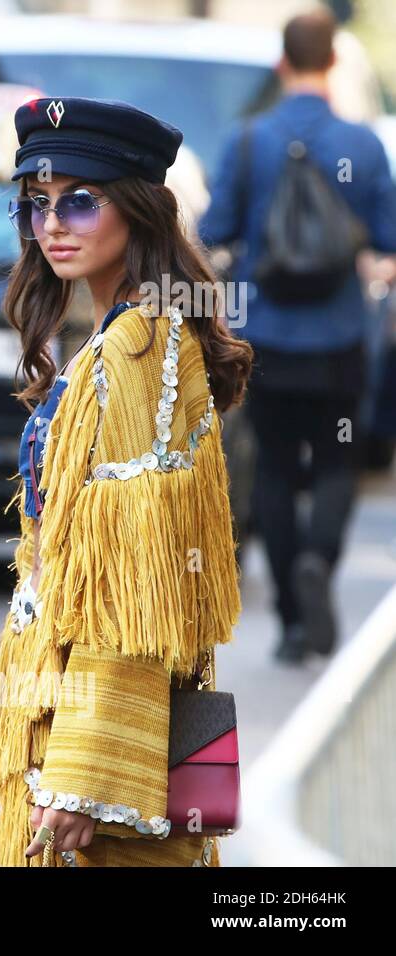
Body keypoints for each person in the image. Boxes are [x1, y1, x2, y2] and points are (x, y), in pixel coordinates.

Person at [0, 97, 252, 867]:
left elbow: (135, 584)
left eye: (81, 201)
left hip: (96, 769)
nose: (53, 223)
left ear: (136, 209)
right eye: (36, 204)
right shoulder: (123, 334)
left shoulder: (137, 346)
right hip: (59, 715)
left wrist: (82, 777)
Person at [199, 9, 396, 665]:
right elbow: (390, 238)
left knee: (277, 473)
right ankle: (319, 559)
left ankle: (289, 619)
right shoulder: (363, 146)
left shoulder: (250, 141)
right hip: (340, 337)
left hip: (269, 342)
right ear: (331, 64)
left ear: (282, 65)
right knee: (337, 462)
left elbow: (218, 226)